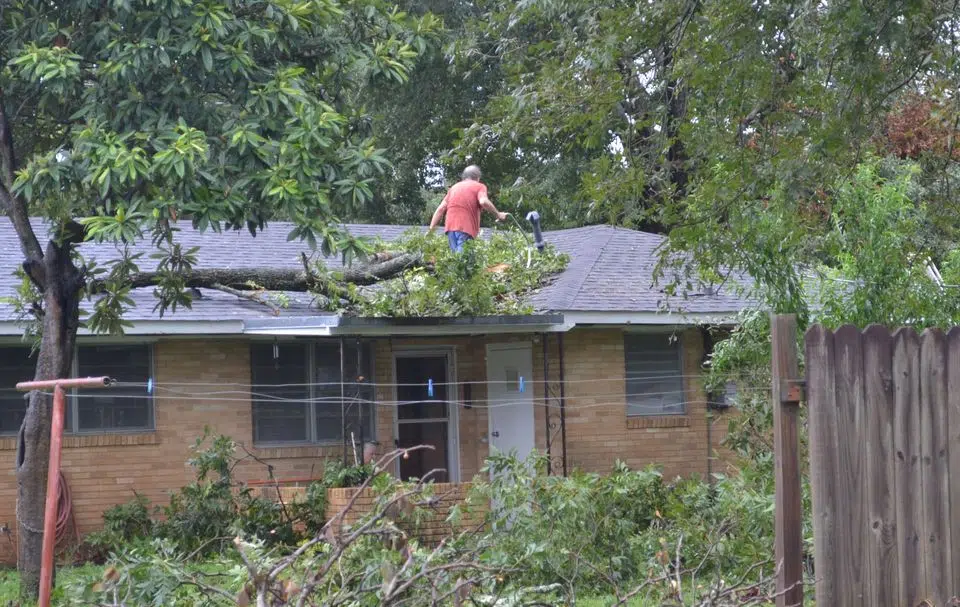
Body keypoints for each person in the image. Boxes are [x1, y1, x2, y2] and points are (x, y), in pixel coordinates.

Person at [428, 165, 508, 252]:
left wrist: (431, 230)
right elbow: (483, 201)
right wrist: (498, 214)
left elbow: (441, 208)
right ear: (478, 177)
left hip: (450, 229)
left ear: (464, 177)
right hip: (465, 228)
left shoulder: (454, 188)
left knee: (454, 260)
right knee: (463, 261)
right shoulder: (479, 186)